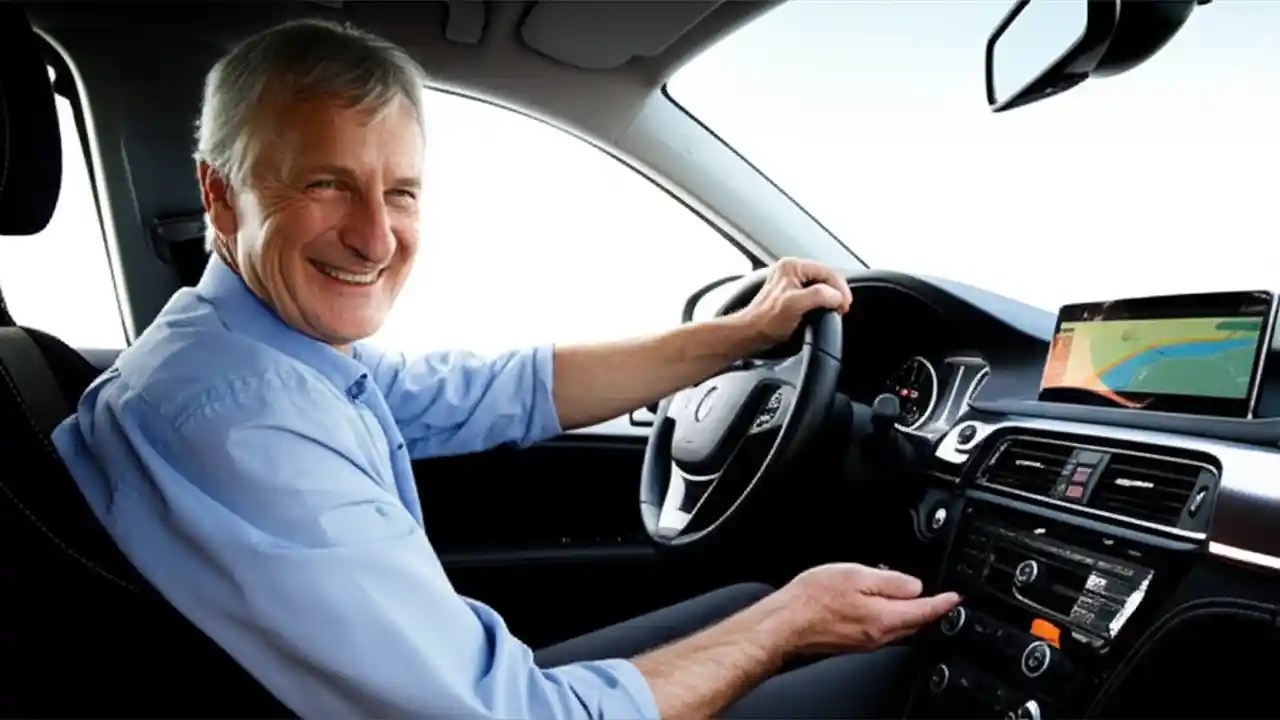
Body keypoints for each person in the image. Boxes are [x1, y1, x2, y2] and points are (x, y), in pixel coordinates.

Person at [52, 17, 959, 720]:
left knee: (753, 600)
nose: (375, 237)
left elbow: (495, 391)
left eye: (399, 192)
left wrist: (734, 337)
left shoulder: (255, 349)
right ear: (221, 193)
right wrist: (790, 627)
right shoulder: (240, 414)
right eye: (325, 184)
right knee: (893, 670)